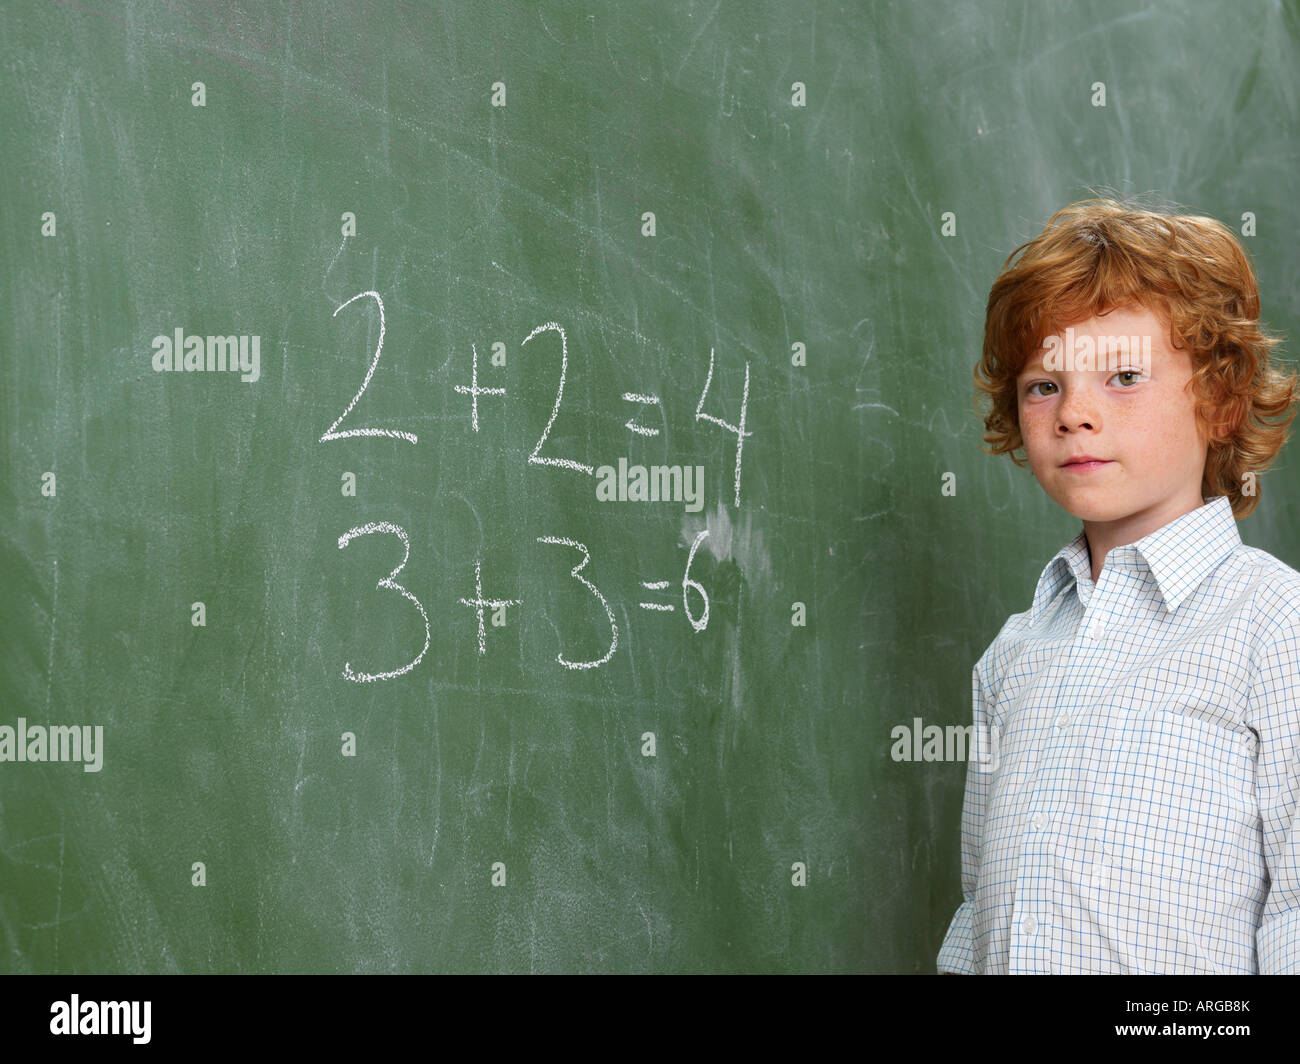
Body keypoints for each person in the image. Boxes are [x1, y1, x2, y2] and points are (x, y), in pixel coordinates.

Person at [937, 197, 1300, 974]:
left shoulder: (1273, 624)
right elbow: (979, 910)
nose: (1076, 414)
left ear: (1221, 402)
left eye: (1124, 376)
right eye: (1044, 386)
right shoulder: (1013, 656)